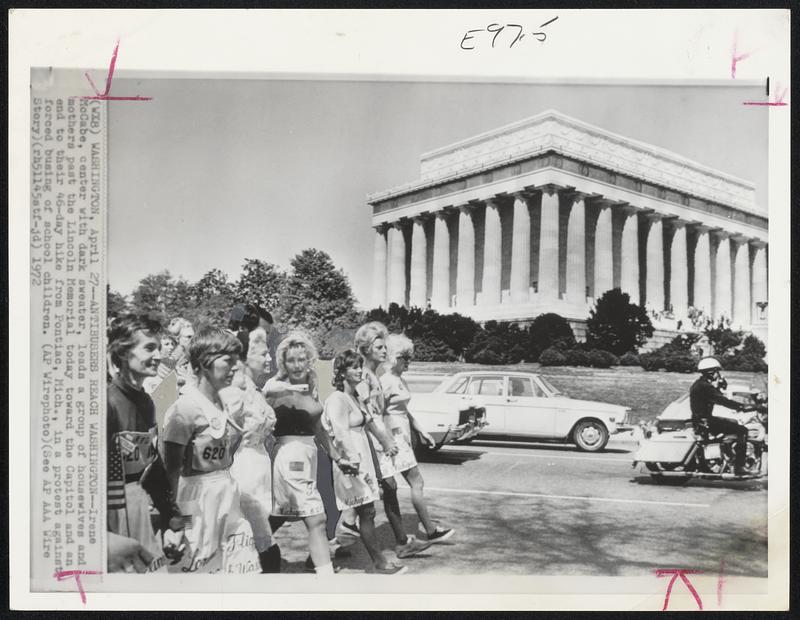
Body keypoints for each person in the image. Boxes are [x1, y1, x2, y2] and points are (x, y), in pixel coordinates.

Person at [161, 326, 260, 574]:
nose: (235, 368)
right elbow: (170, 470)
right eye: (228, 361)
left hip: (227, 493)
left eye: (236, 361)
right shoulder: (185, 407)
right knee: (201, 573)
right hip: (196, 500)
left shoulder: (221, 401)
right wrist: (173, 522)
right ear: (205, 363)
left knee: (242, 571)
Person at [322, 349, 407, 574]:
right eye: (353, 367)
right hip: (351, 462)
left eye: (360, 366)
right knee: (366, 512)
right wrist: (353, 463)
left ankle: (318, 557)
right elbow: (340, 434)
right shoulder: (337, 400)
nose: (359, 370)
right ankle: (378, 562)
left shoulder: (354, 397)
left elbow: (369, 424)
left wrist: (385, 444)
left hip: (363, 458)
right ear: (341, 372)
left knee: (361, 509)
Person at [354, 322, 431, 559]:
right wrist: (385, 440)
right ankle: (330, 544)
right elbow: (366, 416)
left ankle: (401, 542)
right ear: (365, 349)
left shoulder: (374, 376)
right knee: (360, 502)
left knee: (385, 490)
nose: (384, 351)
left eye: (385, 347)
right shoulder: (362, 377)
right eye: (379, 347)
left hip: (378, 443)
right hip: (366, 444)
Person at [262, 332, 335, 575]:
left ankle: (245, 550)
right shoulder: (274, 388)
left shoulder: (311, 385)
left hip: (309, 454)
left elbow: (317, 426)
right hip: (289, 455)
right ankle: (328, 579)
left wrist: (335, 454)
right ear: (283, 362)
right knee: (316, 518)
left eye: (301, 359)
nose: (296, 365)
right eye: (291, 360)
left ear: (309, 360)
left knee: (280, 513)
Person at [106, 315, 170, 572]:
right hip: (111, 511)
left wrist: (171, 518)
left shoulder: (146, 402)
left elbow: (153, 464)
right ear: (122, 352)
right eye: (149, 348)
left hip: (137, 503)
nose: (158, 356)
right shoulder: (107, 403)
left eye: (159, 348)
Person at [380, 334, 454, 544]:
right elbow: (378, 413)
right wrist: (386, 440)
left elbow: (404, 410)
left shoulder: (398, 380)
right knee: (415, 481)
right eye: (405, 358)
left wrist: (421, 429)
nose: (408, 363)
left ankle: (347, 531)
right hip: (393, 436)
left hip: (402, 433)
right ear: (395, 357)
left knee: (390, 487)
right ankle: (430, 529)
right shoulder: (385, 382)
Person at [219, 327, 279, 573]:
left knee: (258, 534)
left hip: (259, 468)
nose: (269, 359)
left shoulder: (255, 389)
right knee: (247, 534)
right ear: (244, 358)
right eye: (264, 354)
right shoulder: (234, 392)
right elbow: (223, 436)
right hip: (242, 469)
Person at [689, 357, 750, 475]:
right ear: (711, 372)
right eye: (717, 371)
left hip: (701, 420)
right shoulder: (705, 387)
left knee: (733, 423)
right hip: (705, 421)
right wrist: (742, 407)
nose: (719, 374)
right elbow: (722, 400)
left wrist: (720, 386)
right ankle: (739, 466)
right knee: (742, 430)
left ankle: (727, 454)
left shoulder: (700, 384)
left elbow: (715, 396)